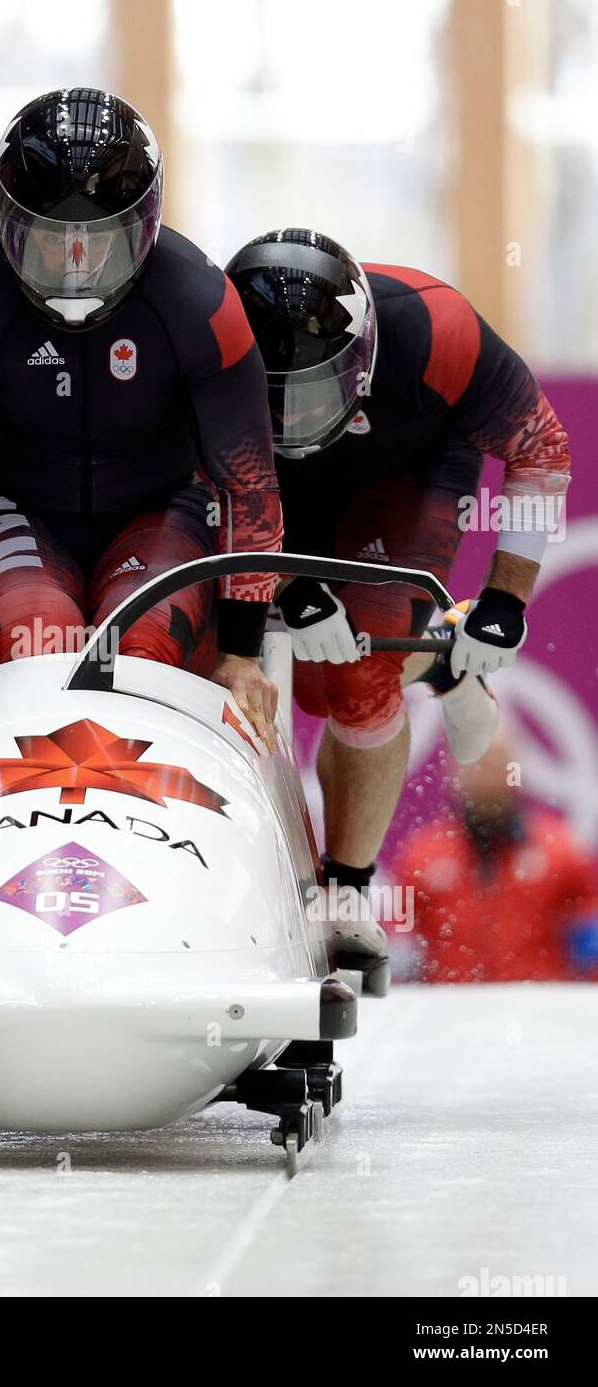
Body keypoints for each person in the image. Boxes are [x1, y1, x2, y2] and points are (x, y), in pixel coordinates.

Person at [0, 88, 284, 764]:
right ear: (10, 223)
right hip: (17, 508)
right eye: (51, 240)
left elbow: (247, 483)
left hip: (161, 509)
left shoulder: (202, 305)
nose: (75, 265)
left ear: (145, 227)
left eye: (99, 242)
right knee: (38, 642)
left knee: (141, 651)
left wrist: (244, 652)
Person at [224, 228, 571, 972]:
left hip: (404, 476)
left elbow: (541, 448)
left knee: (358, 675)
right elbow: (196, 480)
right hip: (260, 488)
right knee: (237, 659)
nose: (291, 420)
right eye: (270, 396)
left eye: (308, 392)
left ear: (360, 361)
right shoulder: (202, 340)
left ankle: (345, 889)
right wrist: (293, 584)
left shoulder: (438, 334)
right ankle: (438, 662)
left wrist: (505, 602)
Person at [393, 731, 598, 982]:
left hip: (540, 1009)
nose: (485, 775)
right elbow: (400, 946)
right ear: (454, 771)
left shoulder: (561, 853)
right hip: (448, 1011)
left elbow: (591, 946)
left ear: (516, 770)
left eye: (495, 762)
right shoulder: (421, 858)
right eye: (474, 763)